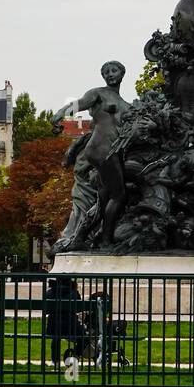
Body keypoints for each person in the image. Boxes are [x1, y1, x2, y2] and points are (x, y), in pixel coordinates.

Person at [52, 61, 131, 252]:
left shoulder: (127, 105)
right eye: (106, 72)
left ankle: (84, 235)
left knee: (104, 196)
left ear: (122, 74)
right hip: (100, 149)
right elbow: (79, 104)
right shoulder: (98, 93)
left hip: (111, 152)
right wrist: (60, 113)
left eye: (114, 71)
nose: (110, 74)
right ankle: (106, 240)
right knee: (119, 195)